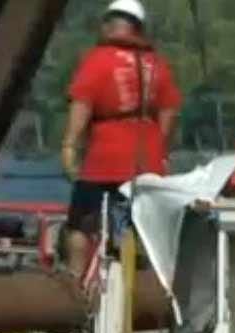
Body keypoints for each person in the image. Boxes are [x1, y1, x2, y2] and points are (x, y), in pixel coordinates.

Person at [60, 0, 181, 278]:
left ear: (110, 24)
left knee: (80, 223)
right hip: (145, 162)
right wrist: (159, 149)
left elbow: (82, 103)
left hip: (104, 159)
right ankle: (127, 285)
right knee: (125, 225)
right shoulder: (157, 64)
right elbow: (169, 111)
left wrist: (69, 145)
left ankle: (74, 282)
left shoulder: (98, 59)